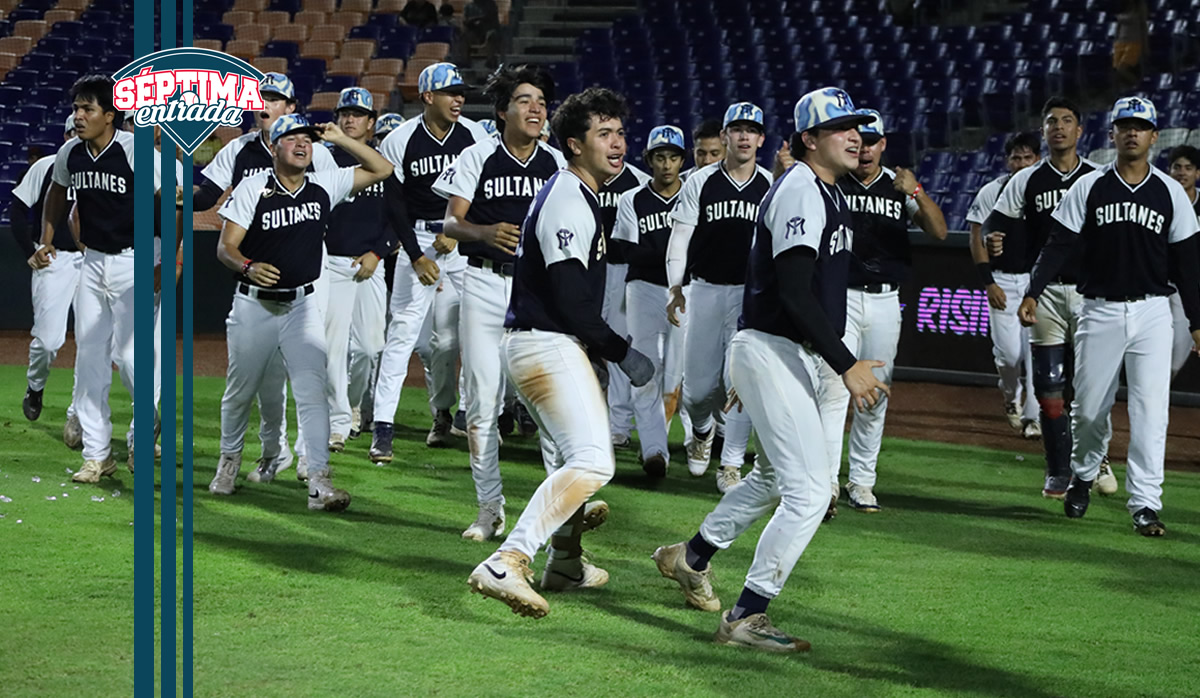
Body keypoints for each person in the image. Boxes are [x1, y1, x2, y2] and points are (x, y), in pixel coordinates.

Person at [652, 87, 887, 652]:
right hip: (774, 346)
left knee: (776, 478)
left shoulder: (822, 191)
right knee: (809, 492)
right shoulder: (804, 191)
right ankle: (746, 615)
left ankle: (694, 554)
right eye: (840, 128)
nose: (854, 135)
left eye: (857, 126)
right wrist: (846, 364)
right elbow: (794, 292)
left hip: (777, 351)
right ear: (809, 139)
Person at [466, 87, 653, 618]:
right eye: (603, 133)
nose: (617, 143)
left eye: (619, 132)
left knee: (574, 459)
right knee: (595, 460)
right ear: (574, 144)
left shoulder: (580, 193)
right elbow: (572, 301)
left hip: (542, 343)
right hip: (545, 343)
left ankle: (565, 563)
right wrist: (621, 352)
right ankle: (509, 559)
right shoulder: (570, 196)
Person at [1019, 96, 1200, 536]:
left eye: (1140, 127)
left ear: (1154, 137)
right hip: (1098, 309)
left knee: (1151, 410)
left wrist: (1195, 320)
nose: (1132, 133)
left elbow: (1188, 263)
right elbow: (1058, 243)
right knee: (1091, 409)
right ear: (1113, 134)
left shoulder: (1170, 191)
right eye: (1125, 126)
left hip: (1154, 311)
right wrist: (1033, 290)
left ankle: (1145, 503)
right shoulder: (1091, 186)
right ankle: (1083, 475)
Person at [209, 115, 393, 510]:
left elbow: (382, 168)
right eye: (290, 137)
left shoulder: (325, 184)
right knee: (240, 393)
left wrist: (341, 138)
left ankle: (320, 483)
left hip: (303, 306)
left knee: (313, 393)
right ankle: (229, 462)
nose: (301, 144)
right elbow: (225, 248)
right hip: (254, 305)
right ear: (274, 147)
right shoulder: (254, 187)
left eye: (307, 139)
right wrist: (246, 266)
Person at [435, 64, 568, 541]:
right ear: (502, 111)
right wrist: (484, 232)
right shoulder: (478, 156)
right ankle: (489, 508)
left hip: (536, 291)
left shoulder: (556, 163)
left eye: (541, 102)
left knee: (549, 406)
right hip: (486, 285)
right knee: (482, 404)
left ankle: (558, 512)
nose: (535, 109)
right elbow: (450, 225)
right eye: (525, 100)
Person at [194, 72, 338, 483]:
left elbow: (334, 197)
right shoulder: (239, 148)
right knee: (263, 376)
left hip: (310, 268)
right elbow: (206, 195)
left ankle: (312, 460)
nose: (265, 104)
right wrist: (171, 193)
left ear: (290, 107)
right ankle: (272, 452)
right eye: (261, 96)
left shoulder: (312, 149)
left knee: (310, 366)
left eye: (275, 99)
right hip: (255, 266)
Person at [984, 97, 1118, 499]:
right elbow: (998, 219)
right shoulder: (1027, 180)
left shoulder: (1098, 177)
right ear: (1043, 132)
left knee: (1092, 384)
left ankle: (1096, 456)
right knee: (1049, 385)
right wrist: (995, 237)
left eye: (1066, 121)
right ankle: (1058, 467)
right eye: (1051, 122)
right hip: (1044, 293)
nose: (1058, 127)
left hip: (1092, 294)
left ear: (1080, 131)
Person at [824, 108, 947, 512]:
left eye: (873, 141)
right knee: (833, 390)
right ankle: (825, 482)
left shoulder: (898, 186)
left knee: (873, 395)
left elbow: (940, 231)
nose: (865, 148)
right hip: (839, 295)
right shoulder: (835, 182)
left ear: (883, 144)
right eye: (859, 140)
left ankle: (861, 481)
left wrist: (915, 192)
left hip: (883, 299)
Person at [368, 63, 489, 459]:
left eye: (462, 92)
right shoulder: (401, 139)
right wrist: (416, 255)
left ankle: (463, 415)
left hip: (463, 239)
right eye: (451, 92)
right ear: (427, 97)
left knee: (466, 334)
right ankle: (383, 428)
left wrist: (460, 229)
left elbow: (486, 192)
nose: (459, 99)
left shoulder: (473, 135)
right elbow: (393, 204)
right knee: (401, 335)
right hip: (418, 239)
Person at [33, 76, 142, 482]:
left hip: (135, 260)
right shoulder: (70, 153)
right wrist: (46, 239)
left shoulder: (135, 151)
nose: (79, 116)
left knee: (131, 360)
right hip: (93, 262)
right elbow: (57, 194)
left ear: (110, 115)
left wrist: (171, 258)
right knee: (89, 359)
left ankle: (146, 422)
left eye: (88, 109)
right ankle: (98, 455)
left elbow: (176, 200)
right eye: (77, 108)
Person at [665, 101, 773, 493]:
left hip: (749, 295)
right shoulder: (700, 181)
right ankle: (702, 429)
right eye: (737, 129)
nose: (744, 136)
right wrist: (675, 286)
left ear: (761, 138)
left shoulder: (770, 184)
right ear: (724, 136)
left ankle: (730, 464)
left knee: (741, 381)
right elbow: (680, 237)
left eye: (751, 130)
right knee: (695, 391)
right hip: (705, 290)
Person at [315, 88, 396, 456]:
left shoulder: (384, 162)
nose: (350, 119)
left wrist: (377, 254)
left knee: (368, 348)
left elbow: (398, 219)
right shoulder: (323, 159)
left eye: (358, 114)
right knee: (333, 350)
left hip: (369, 265)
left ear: (371, 122)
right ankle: (338, 420)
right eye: (345, 113)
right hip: (331, 263)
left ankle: (355, 403)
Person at [612, 125, 686, 476]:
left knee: (675, 373)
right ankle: (654, 450)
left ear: (681, 161)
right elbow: (629, 251)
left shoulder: (694, 196)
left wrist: (676, 263)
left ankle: (670, 438)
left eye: (673, 157)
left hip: (685, 291)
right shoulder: (633, 199)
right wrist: (677, 257)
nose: (666, 164)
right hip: (643, 289)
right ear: (650, 160)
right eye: (660, 157)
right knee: (645, 369)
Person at [967, 132, 1041, 436]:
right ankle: (1011, 397)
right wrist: (988, 282)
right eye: (1016, 157)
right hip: (1004, 282)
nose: (1021, 163)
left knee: (1038, 352)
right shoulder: (992, 190)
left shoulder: (1045, 190)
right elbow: (975, 235)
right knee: (1010, 355)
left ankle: (1034, 418)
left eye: (1027, 157)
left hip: (1037, 282)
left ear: (1037, 158)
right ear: (1007, 160)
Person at [14, 114, 79, 425]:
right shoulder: (47, 165)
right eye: (72, 132)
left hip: (94, 259)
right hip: (55, 260)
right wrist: (31, 249)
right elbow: (17, 208)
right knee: (49, 340)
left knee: (95, 340)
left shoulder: (101, 167)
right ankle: (35, 386)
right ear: (65, 136)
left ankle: (78, 413)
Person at [597, 134, 651, 452]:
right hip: (588, 271)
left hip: (622, 272)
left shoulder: (639, 183)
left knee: (618, 347)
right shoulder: (586, 178)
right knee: (581, 345)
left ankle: (619, 425)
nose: (615, 148)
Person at [1167, 145, 1200, 377]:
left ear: (1197, 173)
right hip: (1166, 283)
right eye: (1177, 167)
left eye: (1188, 168)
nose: (1182, 172)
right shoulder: (1161, 200)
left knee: (1177, 355)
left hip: (1193, 285)